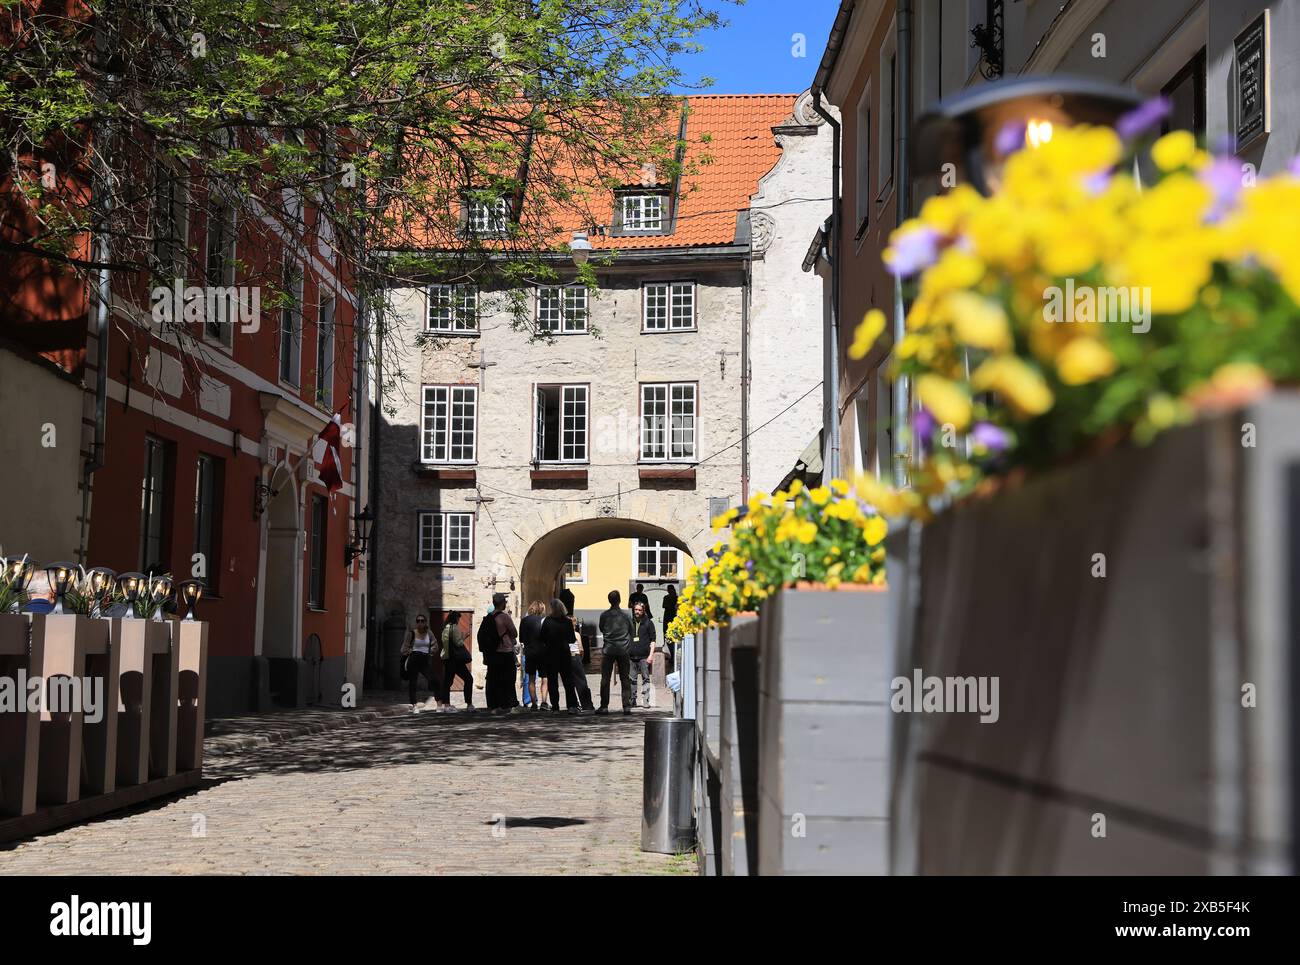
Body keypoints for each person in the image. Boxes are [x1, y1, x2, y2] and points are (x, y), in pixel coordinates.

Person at [541, 598, 593, 713]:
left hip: (551, 654)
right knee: (568, 681)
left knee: (553, 681)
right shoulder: (567, 622)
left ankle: (555, 706)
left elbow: (542, 638)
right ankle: (572, 705)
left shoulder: (548, 621)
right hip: (564, 653)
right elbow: (571, 639)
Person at [481, 592, 519, 712]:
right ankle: (508, 703)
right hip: (505, 651)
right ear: (502, 603)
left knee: (493, 678)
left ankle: (493, 704)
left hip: (492, 653)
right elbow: (514, 633)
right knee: (508, 678)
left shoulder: (488, 618)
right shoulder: (504, 617)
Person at [597, 590, 634, 715]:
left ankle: (604, 706)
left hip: (609, 649)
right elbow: (631, 630)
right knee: (625, 678)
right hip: (623, 649)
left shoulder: (604, 615)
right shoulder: (626, 615)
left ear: (609, 601)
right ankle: (626, 706)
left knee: (605, 678)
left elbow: (601, 628)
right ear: (619, 600)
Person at [400, 613, 439, 709]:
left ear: (425, 622)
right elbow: (403, 648)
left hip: (424, 659)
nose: (420, 623)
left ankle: (439, 702)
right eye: (418, 621)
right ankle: (414, 703)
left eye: (422, 621)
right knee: (413, 682)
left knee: (434, 680)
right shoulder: (412, 633)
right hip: (414, 658)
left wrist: (431, 652)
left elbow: (435, 645)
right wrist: (411, 651)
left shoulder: (429, 633)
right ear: (416, 622)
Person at [439, 611, 474, 711]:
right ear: (456, 619)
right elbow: (458, 643)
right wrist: (464, 637)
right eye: (458, 619)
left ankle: (446, 704)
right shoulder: (454, 628)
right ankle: (469, 704)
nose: (459, 621)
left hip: (447, 659)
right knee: (468, 679)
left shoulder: (445, 628)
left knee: (447, 682)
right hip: (456, 659)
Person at [519, 600, 547, 710]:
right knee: (545, 678)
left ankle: (534, 704)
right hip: (542, 652)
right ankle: (544, 702)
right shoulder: (543, 621)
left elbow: (521, 638)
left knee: (531, 679)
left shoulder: (524, 621)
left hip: (529, 652)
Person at [629, 600, 656, 708]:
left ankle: (645, 700)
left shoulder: (648, 623)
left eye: (640, 610)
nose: (637, 612)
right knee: (632, 679)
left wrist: (651, 655)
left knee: (646, 678)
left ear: (643, 611)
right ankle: (632, 700)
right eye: (636, 609)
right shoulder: (630, 622)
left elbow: (653, 640)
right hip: (631, 656)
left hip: (644, 657)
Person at [662, 584, 678, 674]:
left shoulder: (671, 597)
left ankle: (673, 655)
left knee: (671, 636)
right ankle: (672, 655)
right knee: (668, 636)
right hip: (669, 617)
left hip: (671, 617)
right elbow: (664, 606)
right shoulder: (669, 597)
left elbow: (664, 606)